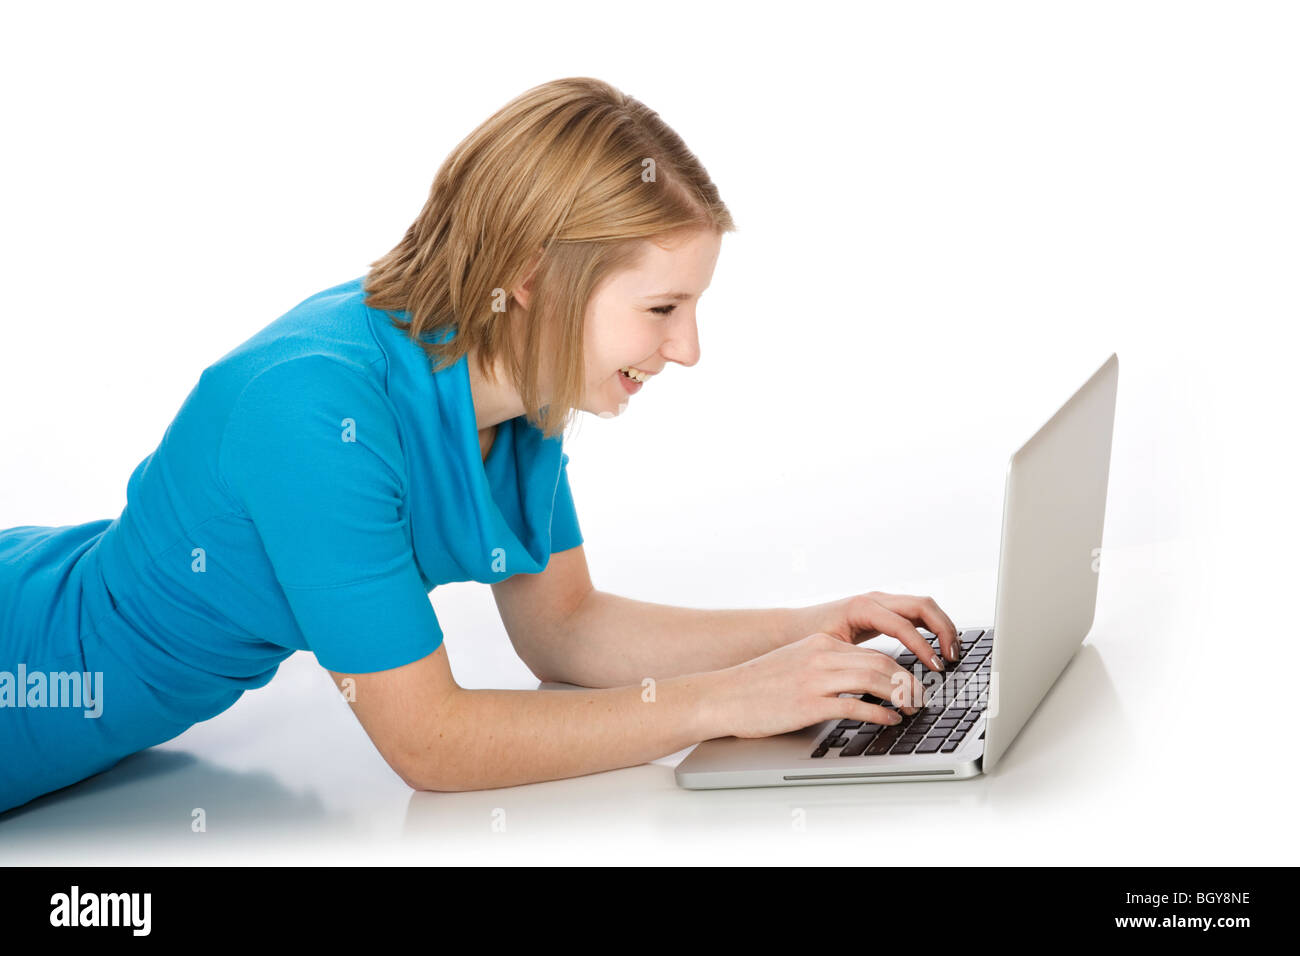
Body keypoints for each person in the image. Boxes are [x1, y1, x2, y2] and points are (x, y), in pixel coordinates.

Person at [0, 77, 961, 812]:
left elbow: (567, 630)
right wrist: (722, 703)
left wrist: (812, 629)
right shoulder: (309, 411)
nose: (689, 349)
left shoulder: (518, 399)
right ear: (531, 278)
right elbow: (433, 744)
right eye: (663, 308)